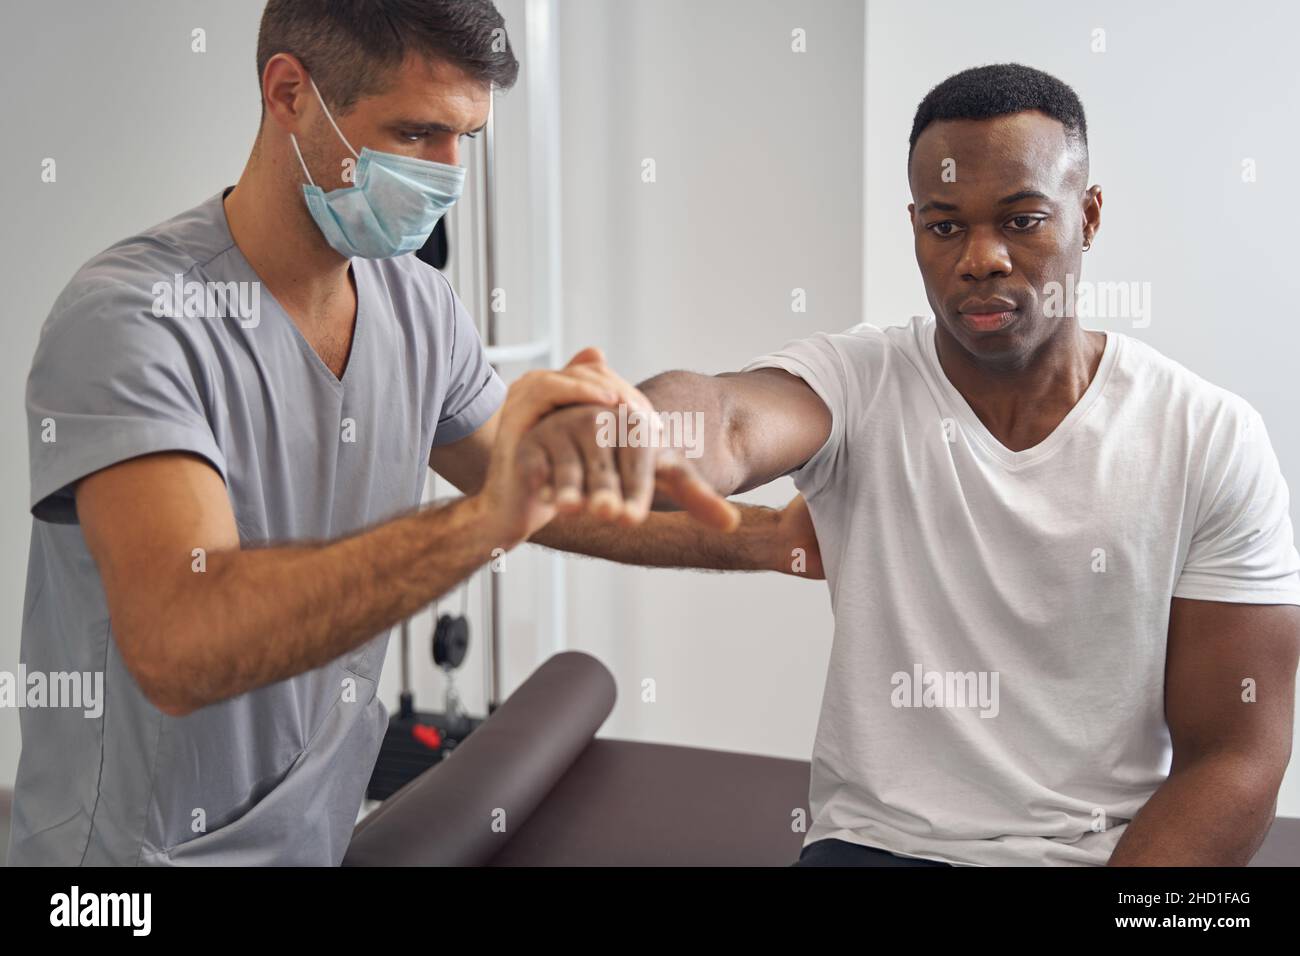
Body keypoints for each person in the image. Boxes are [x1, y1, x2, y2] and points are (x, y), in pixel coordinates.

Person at [8, 0, 812, 866]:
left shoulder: (415, 306)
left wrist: (774, 541)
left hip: (319, 843)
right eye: (419, 133)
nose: (448, 173)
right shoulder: (134, 319)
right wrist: (484, 521)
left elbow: (543, 491)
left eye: (467, 138)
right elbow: (179, 646)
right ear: (288, 94)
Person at [531, 63, 1300, 866]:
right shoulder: (857, 382)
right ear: (915, 229)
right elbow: (727, 420)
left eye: (1023, 220)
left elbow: (1238, 754)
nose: (982, 259)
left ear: (1090, 215)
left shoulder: (1206, 434)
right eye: (944, 227)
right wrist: (643, 429)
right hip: (877, 848)